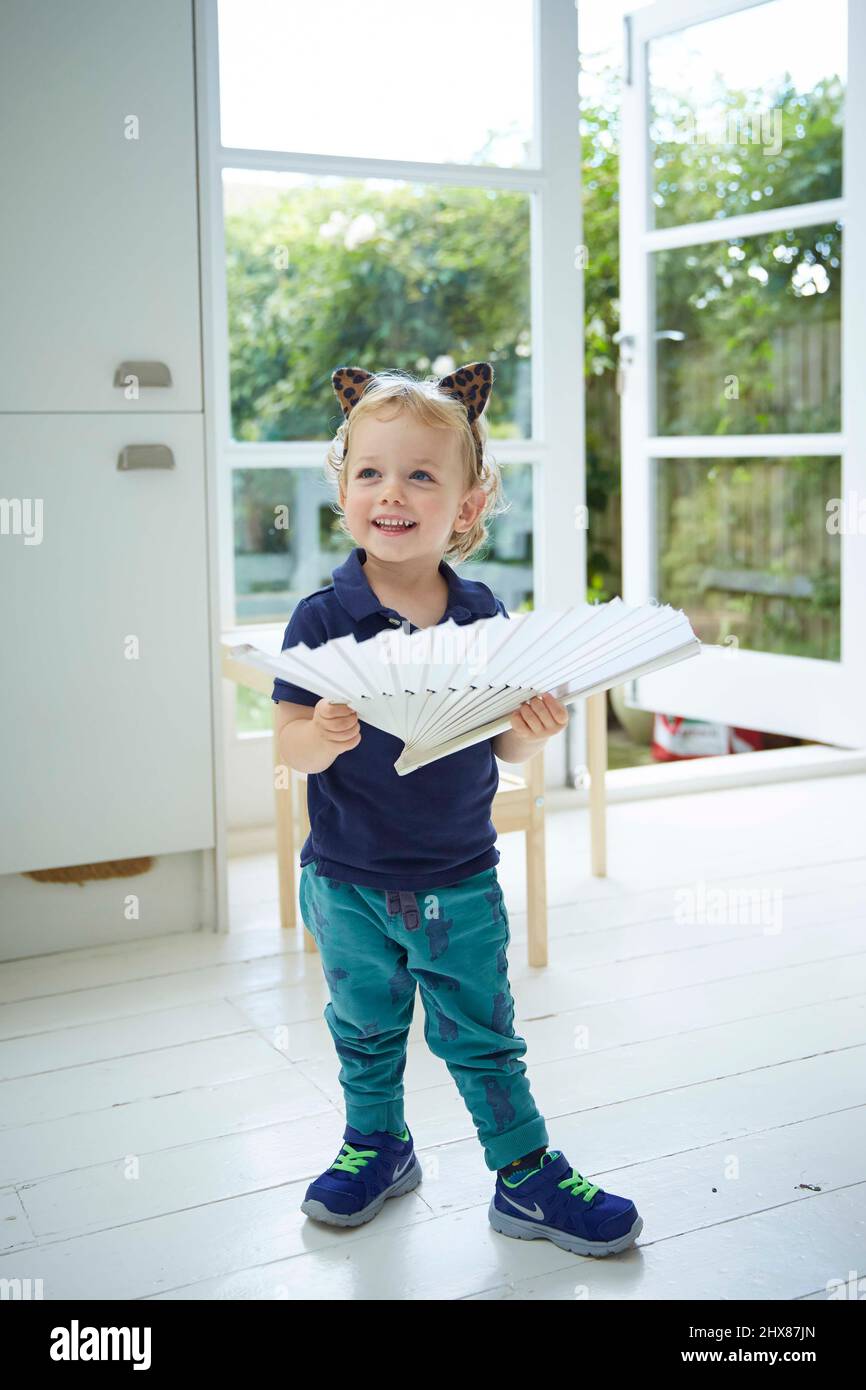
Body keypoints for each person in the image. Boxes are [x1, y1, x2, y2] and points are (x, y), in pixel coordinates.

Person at [272, 361, 642, 1258]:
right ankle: (378, 1144)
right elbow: (286, 744)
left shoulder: (482, 615)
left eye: (420, 476)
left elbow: (503, 748)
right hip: (346, 877)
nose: (390, 494)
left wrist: (533, 729)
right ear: (343, 486)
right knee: (362, 1027)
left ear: (468, 506)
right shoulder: (322, 618)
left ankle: (524, 1174)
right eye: (370, 473)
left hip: (457, 879)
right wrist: (320, 732)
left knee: (481, 1034)